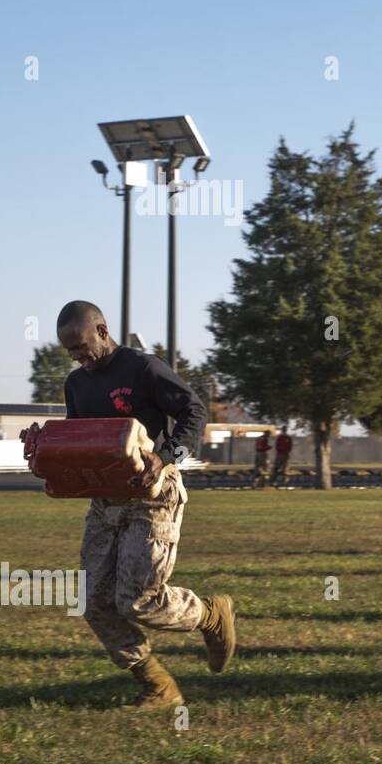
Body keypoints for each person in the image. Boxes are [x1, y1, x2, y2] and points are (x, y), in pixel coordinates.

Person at [55, 300, 236, 709]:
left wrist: (167, 454)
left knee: (138, 600)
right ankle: (157, 684)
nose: (78, 357)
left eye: (81, 346)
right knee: (93, 600)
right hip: (105, 503)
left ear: (102, 331)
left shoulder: (142, 368)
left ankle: (209, 614)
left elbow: (193, 410)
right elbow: (78, 441)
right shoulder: (76, 384)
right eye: (70, 352)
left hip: (152, 496)